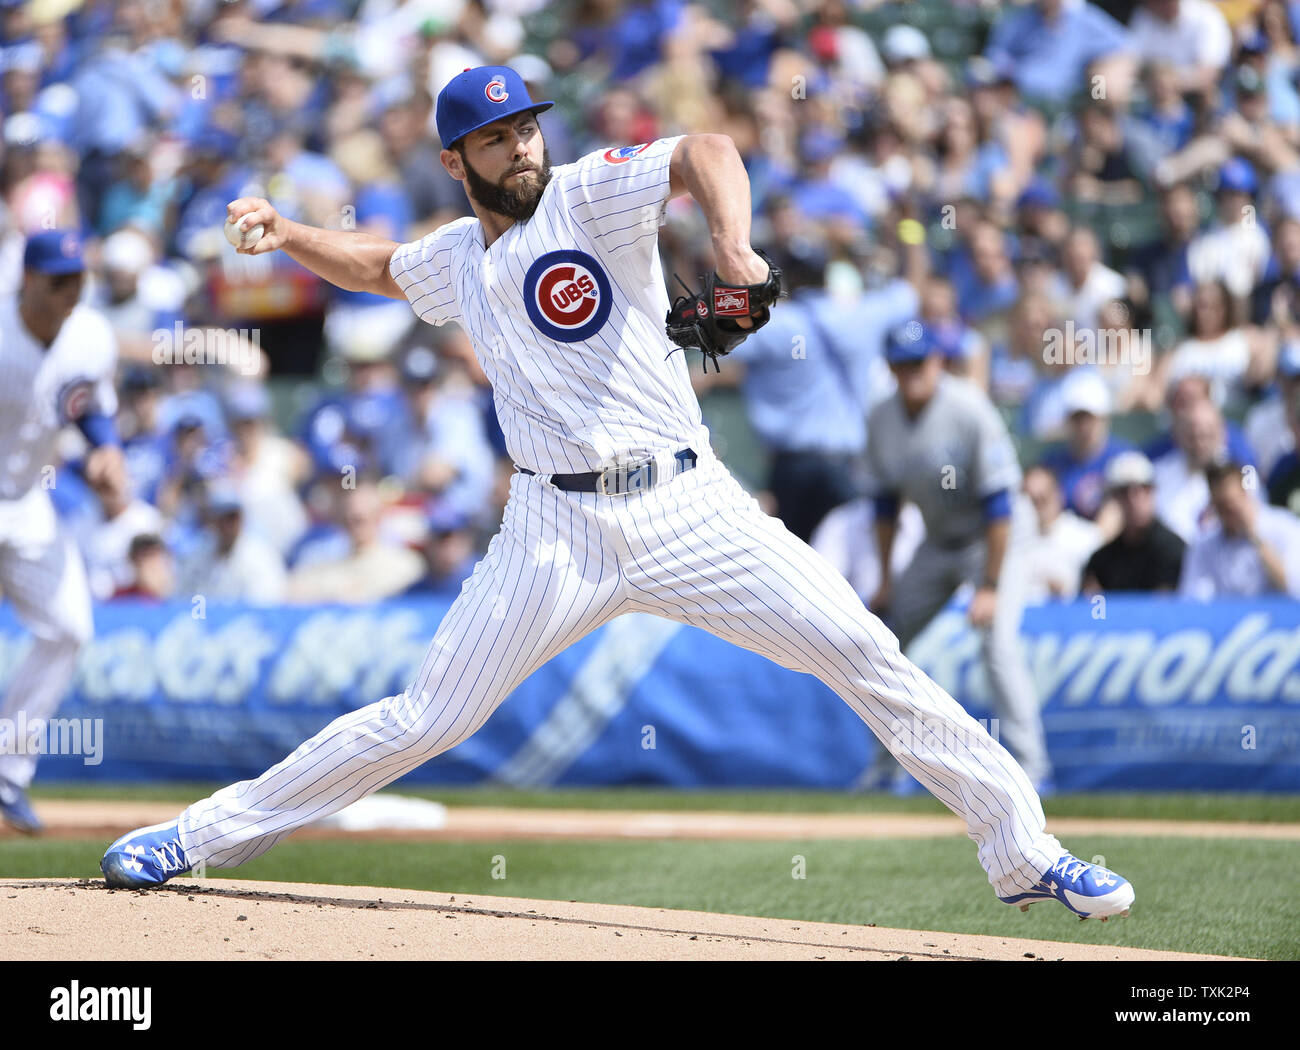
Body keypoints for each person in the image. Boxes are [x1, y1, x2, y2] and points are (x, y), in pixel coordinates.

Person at [101, 65, 1134, 921]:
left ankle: (1025, 850)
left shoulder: (587, 193)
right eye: (497, 138)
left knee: (864, 651)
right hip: (554, 526)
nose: (523, 148)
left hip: (691, 505)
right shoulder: (461, 257)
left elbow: (704, 152)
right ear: (456, 159)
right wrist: (285, 232)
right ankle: (194, 836)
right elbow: (378, 266)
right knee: (425, 717)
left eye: (527, 128)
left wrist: (732, 244)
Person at [865, 321, 1052, 794]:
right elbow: (885, 505)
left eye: (920, 361)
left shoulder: (969, 407)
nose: (912, 371)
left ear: (938, 361)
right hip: (938, 539)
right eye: (902, 363)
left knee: (996, 644)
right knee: (880, 638)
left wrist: (988, 586)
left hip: (999, 539)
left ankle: (1033, 770)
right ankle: (887, 768)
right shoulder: (881, 418)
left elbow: (1000, 504)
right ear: (890, 366)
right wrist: (886, 579)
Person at [0, 231, 121, 833]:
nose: (71, 290)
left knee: (69, 627)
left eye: (78, 278)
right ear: (28, 281)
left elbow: (85, 406)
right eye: (59, 280)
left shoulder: (90, 335)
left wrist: (105, 452)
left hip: (24, 505)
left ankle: (6, 776)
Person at [1179, 459, 1300, 599]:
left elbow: (1292, 588)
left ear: (1245, 494)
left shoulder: (1285, 527)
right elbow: (1191, 595)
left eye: (1231, 504)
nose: (1227, 513)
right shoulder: (1205, 543)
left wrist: (1255, 537)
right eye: (1220, 507)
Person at [1081, 451, 1186, 593]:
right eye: (1124, 492)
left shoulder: (1175, 551)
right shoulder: (1101, 561)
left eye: (1142, 489)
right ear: (1113, 499)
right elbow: (1095, 609)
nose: (1134, 499)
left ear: (1153, 492)